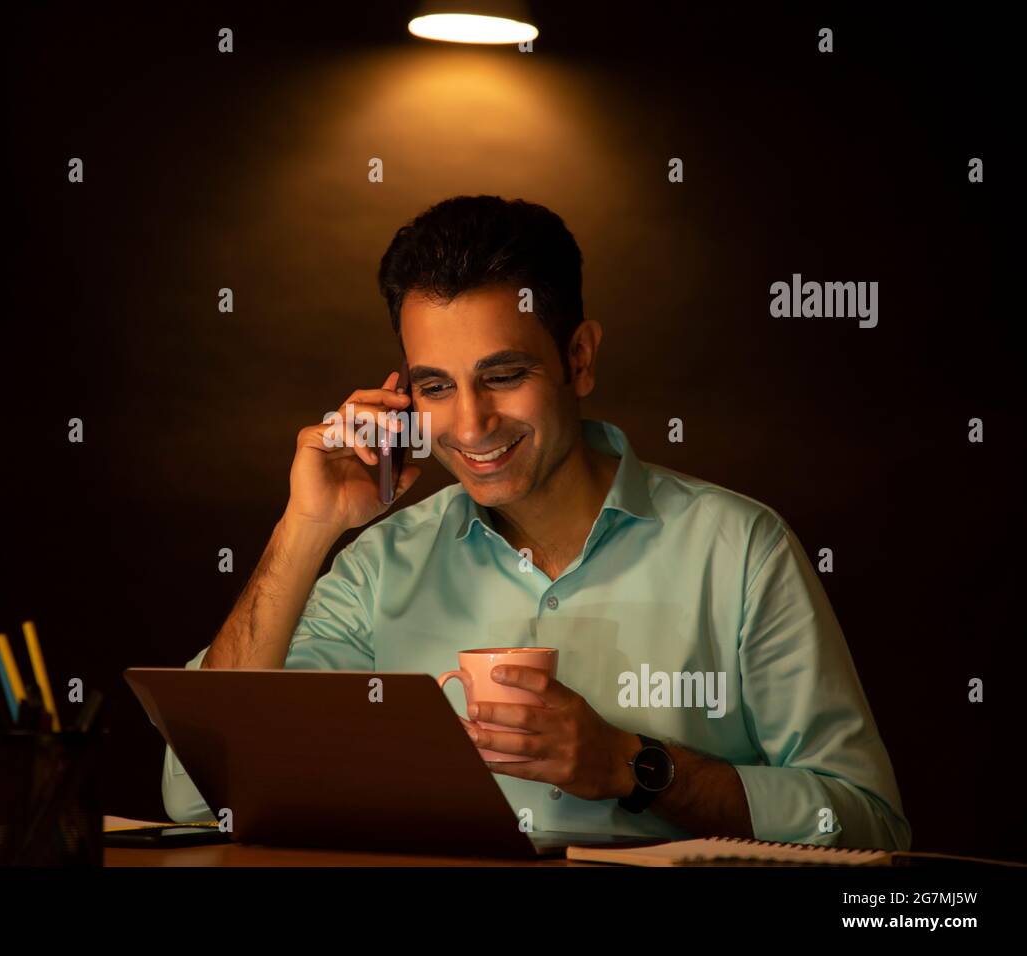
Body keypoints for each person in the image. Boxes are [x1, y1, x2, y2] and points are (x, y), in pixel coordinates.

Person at [163, 194, 910, 849]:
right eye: (435, 386)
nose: (471, 423)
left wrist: (634, 767)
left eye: (504, 375)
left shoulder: (740, 550)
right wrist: (307, 524)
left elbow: (867, 822)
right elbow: (198, 794)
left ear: (579, 360)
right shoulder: (379, 565)